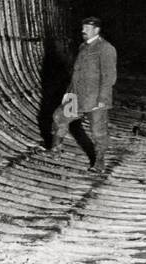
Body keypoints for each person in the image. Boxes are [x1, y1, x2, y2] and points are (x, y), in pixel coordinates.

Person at [50, 16, 118, 172]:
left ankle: (99, 162)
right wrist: (68, 94)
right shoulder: (83, 47)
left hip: (95, 99)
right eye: (83, 28)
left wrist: (103, 99)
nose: (83, 31)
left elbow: (109, 77)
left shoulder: (106, 48)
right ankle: (56, 148)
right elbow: (77, 73)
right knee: (59, 117)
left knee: (98, 132)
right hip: (76, 95)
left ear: (96, 30)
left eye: (87, 29)